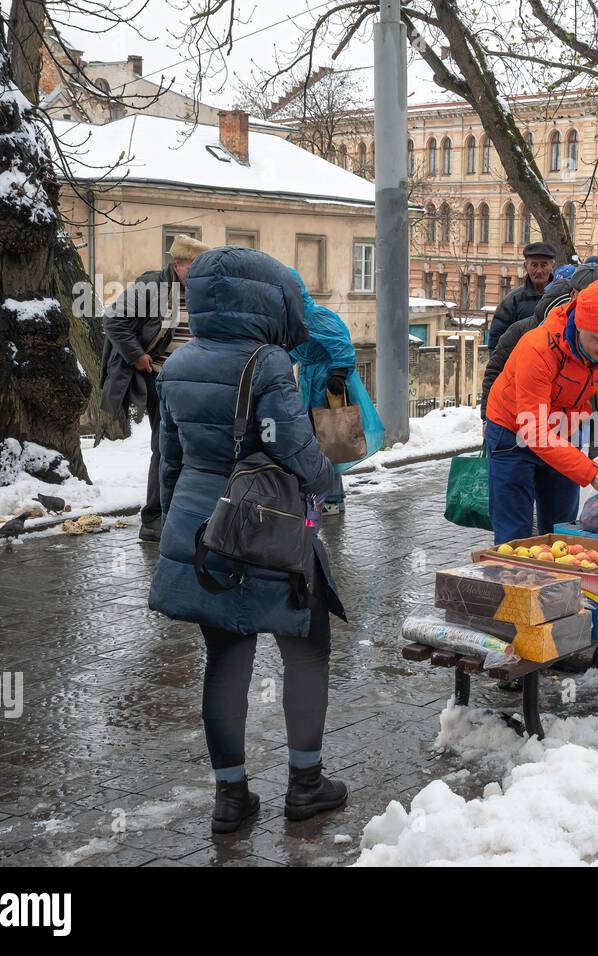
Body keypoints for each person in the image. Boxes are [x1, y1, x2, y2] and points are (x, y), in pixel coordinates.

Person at [147, 247, 349, 833]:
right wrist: (332, 479)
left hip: (206, 530)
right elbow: (295, 450)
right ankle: (306, 785)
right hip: (274, 528)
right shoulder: (267, 363)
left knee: (225, 660)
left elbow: (170, 460)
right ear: (265, 299)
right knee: (307, 649)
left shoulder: (179, 363)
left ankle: (230, 798)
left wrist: (174, 524)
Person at [483, 279, 598, 544]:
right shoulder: (538, 347)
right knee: (514, 536)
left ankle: (559, 586)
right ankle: (512, 582)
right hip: (512, 432)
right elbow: (533, 429)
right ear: (579, 326)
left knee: (561, 532)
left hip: (563, 430)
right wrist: (590, 473)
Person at [101, 233, 210, 543]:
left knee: (189, 448)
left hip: (192, 380)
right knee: (165, 447)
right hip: (160, 379)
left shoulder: (201, 289)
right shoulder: (153, 285)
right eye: (195, 265)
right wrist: (137, 356)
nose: (201, 271)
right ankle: (153, 519)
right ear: (177, 264)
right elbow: (114, 320)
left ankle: (178, 513)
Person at [479, 261, 598, 424]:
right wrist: (488, 416)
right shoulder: (533, 332)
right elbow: (496, 369)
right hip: (541, 425)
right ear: (574, 294)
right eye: (588, 295)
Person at [287, 269, 383, 515]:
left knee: (328, 441)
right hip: (309, 384)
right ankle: (328, 497)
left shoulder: (316, 316)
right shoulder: (292, 321)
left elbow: (341, 346)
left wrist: (337, 375)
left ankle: (328, 499)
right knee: (321, 443)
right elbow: (291, 352)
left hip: (326, 387)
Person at [488, 241, 556, 347]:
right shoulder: (512, 301)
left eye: (544, 265)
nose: (539, 271)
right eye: (534, 265)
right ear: (525, 266)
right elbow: (496, 338)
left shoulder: (562, 298)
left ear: (552, 266)